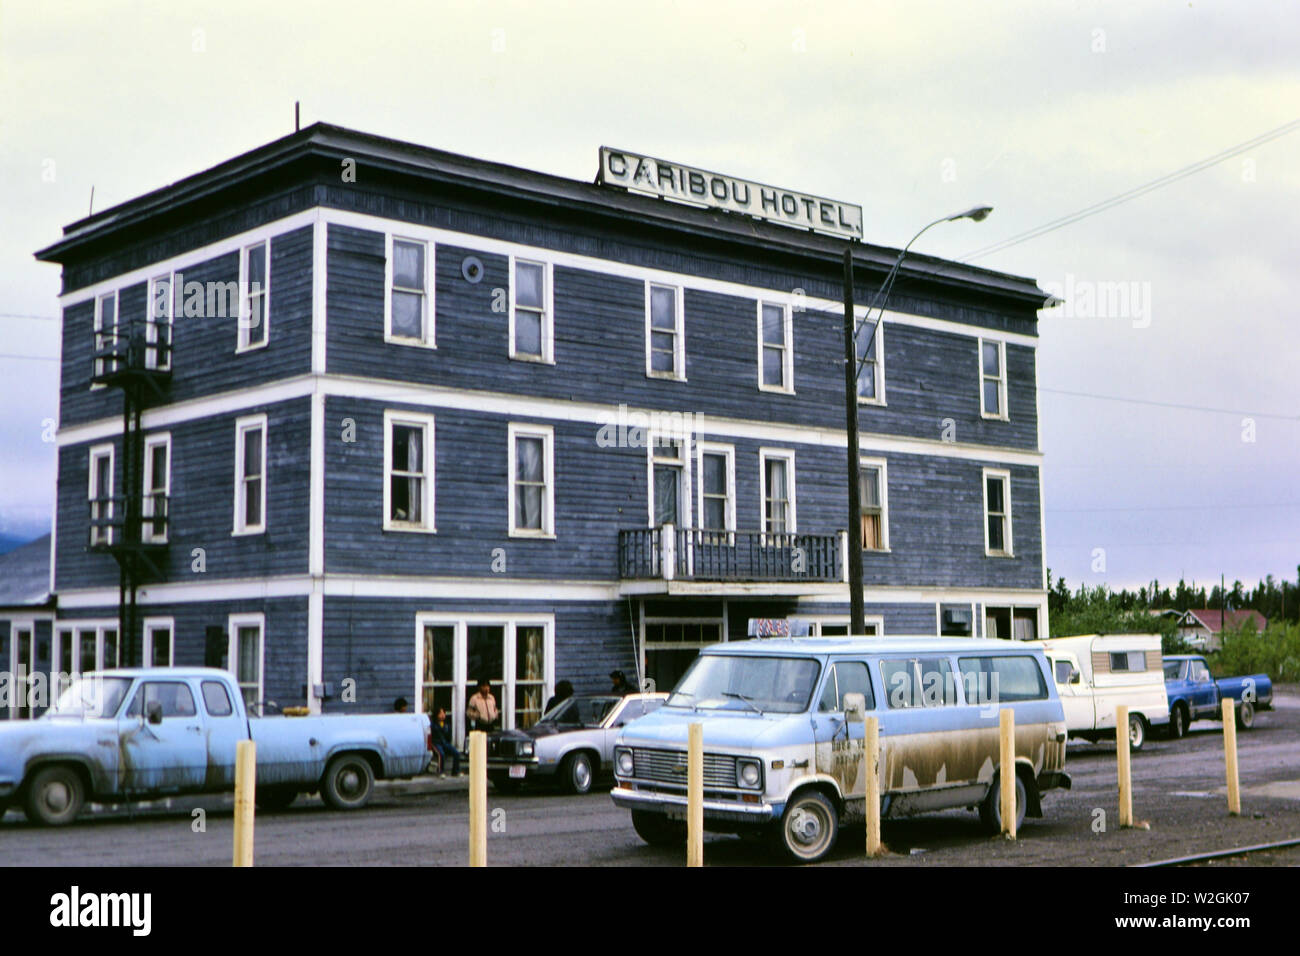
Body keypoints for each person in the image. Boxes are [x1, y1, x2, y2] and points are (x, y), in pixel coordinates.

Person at [430, 707, 462, 776]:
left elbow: (448, 736)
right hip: (436, 743)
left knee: (456, 753)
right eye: (440, 713)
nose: (442, 715)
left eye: (443, 713)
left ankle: (455, 771)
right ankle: (440, 771)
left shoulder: (446, 724)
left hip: (444, 742)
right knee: (441, 754)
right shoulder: (433, 724)